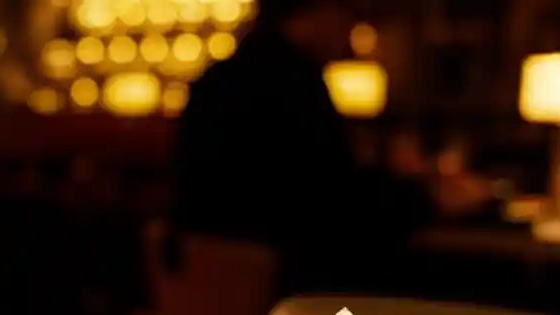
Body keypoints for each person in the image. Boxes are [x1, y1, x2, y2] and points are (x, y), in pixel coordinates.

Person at [170, 0, 489, 292]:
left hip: (213, 297)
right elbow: (331, 206)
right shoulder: (290, 84)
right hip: (293, 305)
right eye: (347, 13)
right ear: (317, 11)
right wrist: (429, 197)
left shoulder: (220, 79)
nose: (350, 29)